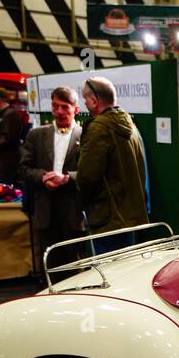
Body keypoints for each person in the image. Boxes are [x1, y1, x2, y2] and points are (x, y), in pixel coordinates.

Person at [19, 86, 85, 274]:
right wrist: (43, 178)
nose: (59, 112)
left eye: (65, 107)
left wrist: (67, 178)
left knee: (76, 266)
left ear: (76, 109)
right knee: (51, 267)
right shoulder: (36, 135)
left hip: (74, 210)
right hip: (45, 209)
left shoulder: (85, 136)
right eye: (55, 106)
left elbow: (91, 173)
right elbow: (23, 168)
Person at [75, 76, 148, 236]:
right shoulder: (130, 125)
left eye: (85, 99)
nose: (85, 104)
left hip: (107, 222)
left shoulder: (98, 129)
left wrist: (69, 178)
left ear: (94, 101)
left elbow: (86, 177)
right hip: (130, 219)